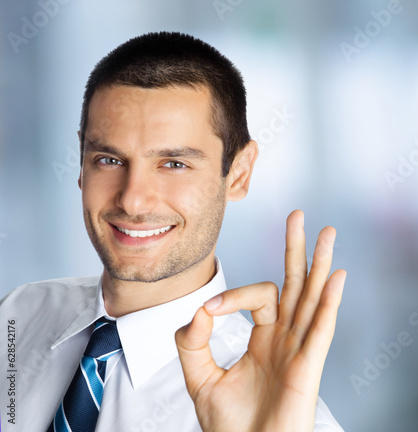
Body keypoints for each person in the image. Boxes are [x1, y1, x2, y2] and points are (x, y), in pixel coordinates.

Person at [0, 32, 347, 431]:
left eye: (174, 164)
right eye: (109, 159)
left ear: (238, 173)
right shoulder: (17, 316)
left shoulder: (280, 413)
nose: (133, 200)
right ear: (81, 161)